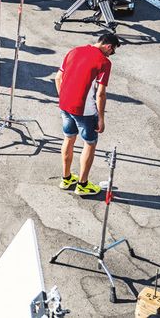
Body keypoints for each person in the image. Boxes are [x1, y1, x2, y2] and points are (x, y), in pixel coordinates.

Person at [55, 33, 120, 196]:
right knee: (89, 143)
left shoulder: (74, 51)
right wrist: (101, 118)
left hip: (65, 104)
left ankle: (66, 178)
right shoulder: (104, 62)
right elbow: (100, 94)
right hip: (85, 110)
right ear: (108, 46)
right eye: (112, 51)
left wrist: (64, 98)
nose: (111, 55)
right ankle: (82, 184)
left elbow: (58, 78)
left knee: (69, 138)